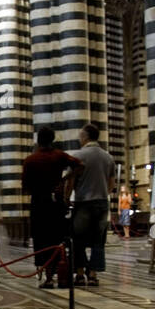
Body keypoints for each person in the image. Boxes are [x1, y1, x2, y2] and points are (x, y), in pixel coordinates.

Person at [22, 127, 84, 289]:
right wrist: (64, 179)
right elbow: (80, 165)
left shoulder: (30, 160)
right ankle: (63, 276)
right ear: (53, 139)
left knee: (42, 241)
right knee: (58, 238)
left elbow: (25, 186)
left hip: (38, 204)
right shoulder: (59, 156)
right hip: (56, 203)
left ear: (38, 140)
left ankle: (49, 278)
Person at [66, 123, 117, 288]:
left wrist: (67, 198)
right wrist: (102, 194)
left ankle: (80, 274)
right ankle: (93, 274)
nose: (79, 138)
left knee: (78, 239)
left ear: (86, 137)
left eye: (81, 136)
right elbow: (111, 184)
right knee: (98, 240)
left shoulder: (78, 156)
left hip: (83, 202)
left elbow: (71, 180)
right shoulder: (108, 157)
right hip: (102, 203)